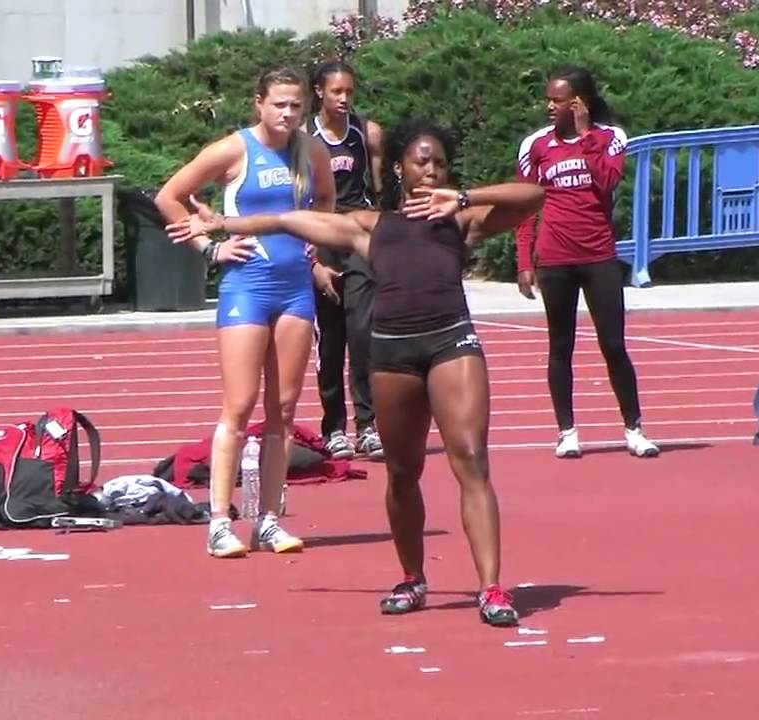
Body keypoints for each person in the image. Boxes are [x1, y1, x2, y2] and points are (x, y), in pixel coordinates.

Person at [170, 120, 544, 627]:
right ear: (399, 168)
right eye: (420, 161)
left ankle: (491, 587)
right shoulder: (370, 226)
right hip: (392, 353)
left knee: (472, 461)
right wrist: (222, 227)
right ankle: (413, 578)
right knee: (402, 472)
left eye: (438, 163)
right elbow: (288, 220)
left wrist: (462, 196)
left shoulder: (463, 219)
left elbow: (534, 195)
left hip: (451, 344)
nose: (430, 171)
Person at [155, 66, 337, 559]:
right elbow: (169, 197)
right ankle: (218, 520)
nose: (288, 113)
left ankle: (269, 519)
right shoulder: (233, 150)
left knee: (283, 409)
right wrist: (209, 248)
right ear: (259, 103)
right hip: (247, 288)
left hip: (295, 290)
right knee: (239, 405)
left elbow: (325, 202)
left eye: (296, 105)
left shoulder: (311, 151)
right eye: (279, 104)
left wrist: (317, 248)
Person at [514, 65, 661, 460]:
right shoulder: (536, 145)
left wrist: (585, 134)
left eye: (558, 100)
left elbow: (607, 181)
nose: (550, 106)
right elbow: (525, 206)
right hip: (556, 258)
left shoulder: (611, 138)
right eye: (548, 99)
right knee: (560, 345)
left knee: (613, 343)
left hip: (598, 256)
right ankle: (567, 432)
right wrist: (524, 259)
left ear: (580, 102)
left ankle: (634, 428)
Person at [308, 59, 385, 461]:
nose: (344, 98)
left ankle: (368, 425)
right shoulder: (303, 138)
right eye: (337, 91)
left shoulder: (364, 132)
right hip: (321, 236)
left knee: (363, 331)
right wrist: (316, 262)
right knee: (331, 339)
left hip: (356, 237)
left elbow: (377, 188)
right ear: (319, 92)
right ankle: (333, 426)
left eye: (349, 92)